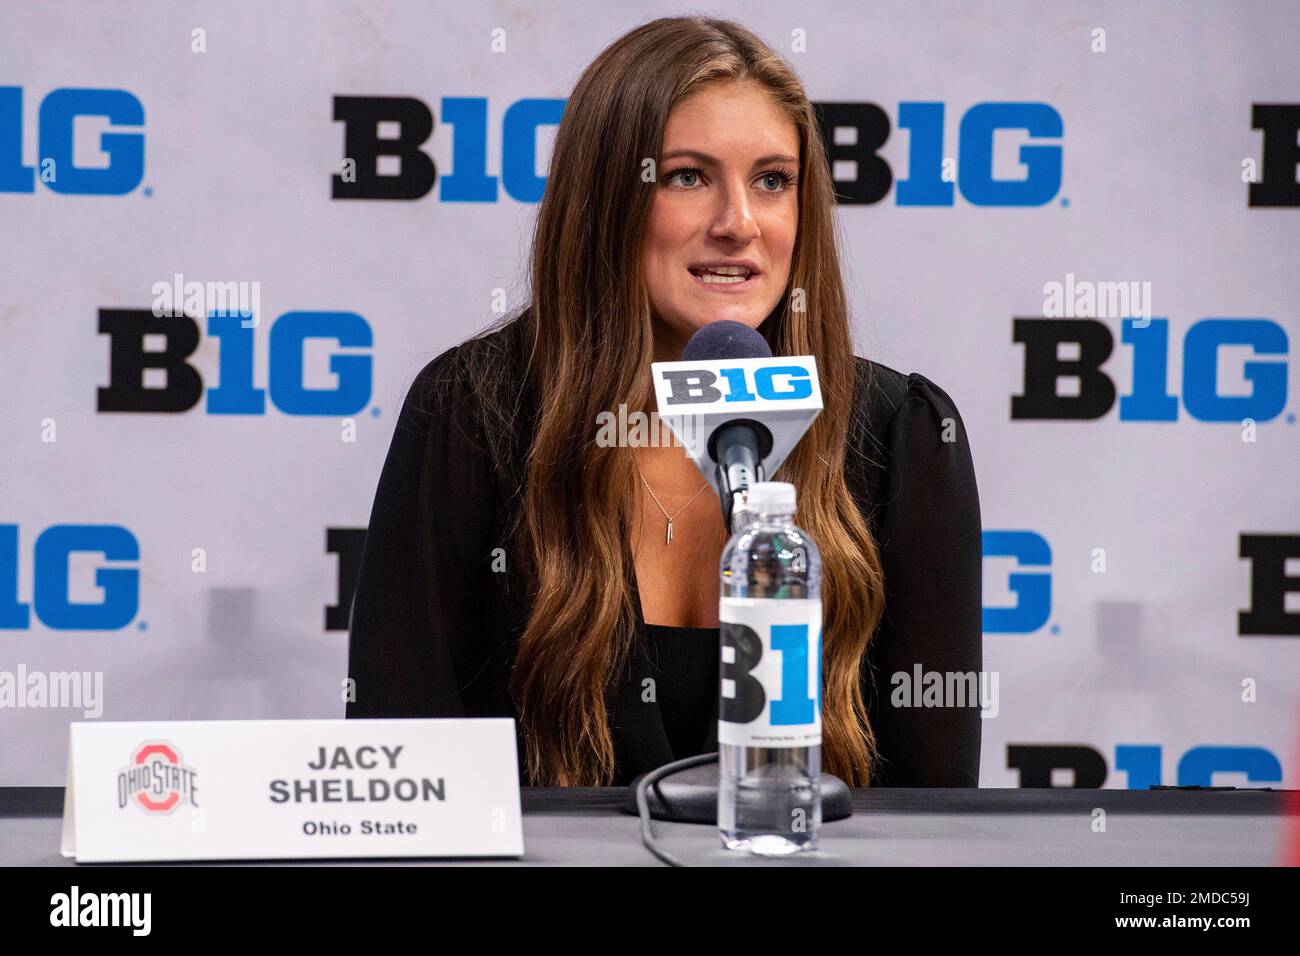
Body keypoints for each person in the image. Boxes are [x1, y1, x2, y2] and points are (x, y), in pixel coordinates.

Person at [346, 16, 983, 789]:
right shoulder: (472, 415)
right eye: (687, 177)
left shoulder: (896, 431)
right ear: (604, 199)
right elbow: (403, 784)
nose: (738, 224)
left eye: (772, 181)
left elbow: (937, 812)